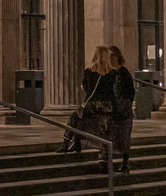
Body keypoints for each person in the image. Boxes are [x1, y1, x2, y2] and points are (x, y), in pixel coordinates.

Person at [57, 47, 104, 154]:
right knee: (78, 118)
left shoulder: (89, 71)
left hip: (91, 104)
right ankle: (75, 143)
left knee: (75, 116)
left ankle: (67, 143)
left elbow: (85, 87)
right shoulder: (109, 73)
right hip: (102, 105)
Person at [108, 45, 136, 174]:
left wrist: (125, 103)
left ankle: (125, 162)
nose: (110, 58)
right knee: (112, 136)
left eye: (112, 56)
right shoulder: (109, 73)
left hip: (123, 109)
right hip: (112, 110)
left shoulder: (123, 72)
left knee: (124, 136)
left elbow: (131, 91)